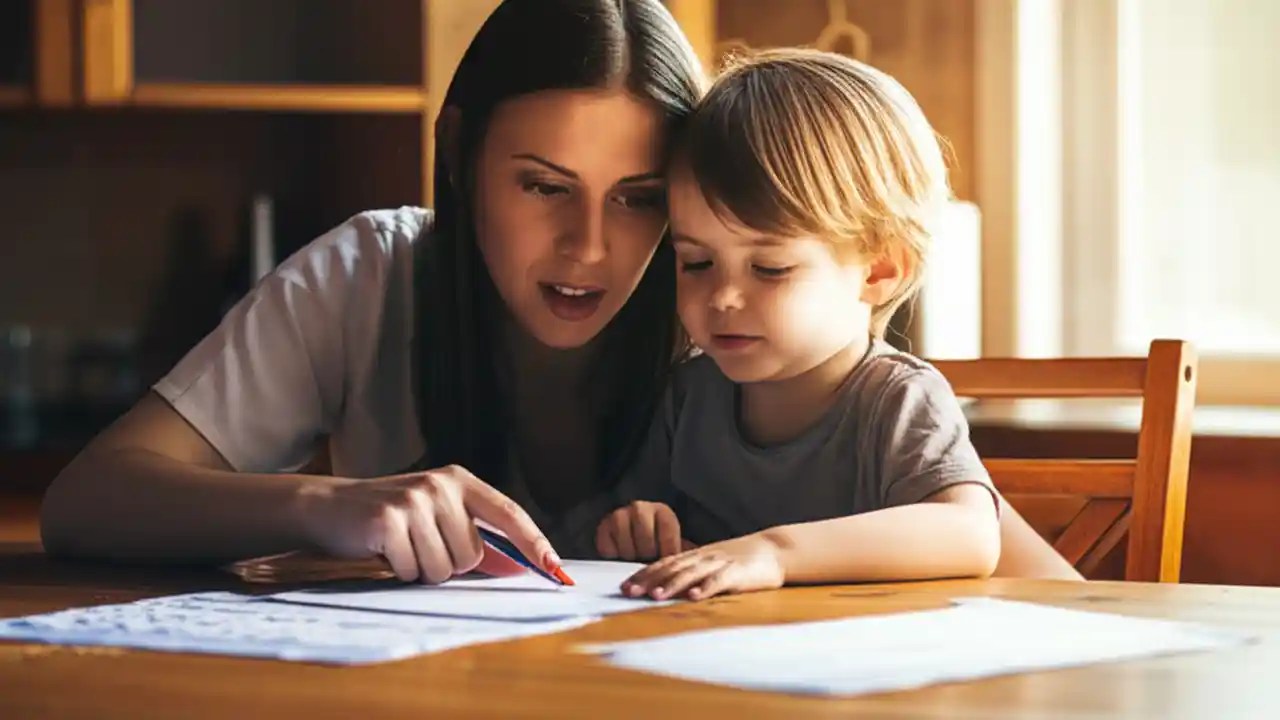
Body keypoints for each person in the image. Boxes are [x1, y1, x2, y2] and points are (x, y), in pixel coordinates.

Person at [39, 0, 705, 585]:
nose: (588, 247)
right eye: (545, 187)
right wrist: (324, 506)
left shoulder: (719, 306)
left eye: (637, 198)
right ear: (456, 150)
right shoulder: (371, 275)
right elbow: (88, 501)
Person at [594, 49, 1079, 602]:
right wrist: (640, 525)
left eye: (769, 268)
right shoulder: (686, 398)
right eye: (697, 263)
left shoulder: (895, 400)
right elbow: (644, 529)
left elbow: (968, 534)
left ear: (879, 270)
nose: (723, 296)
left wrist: (773, 552)